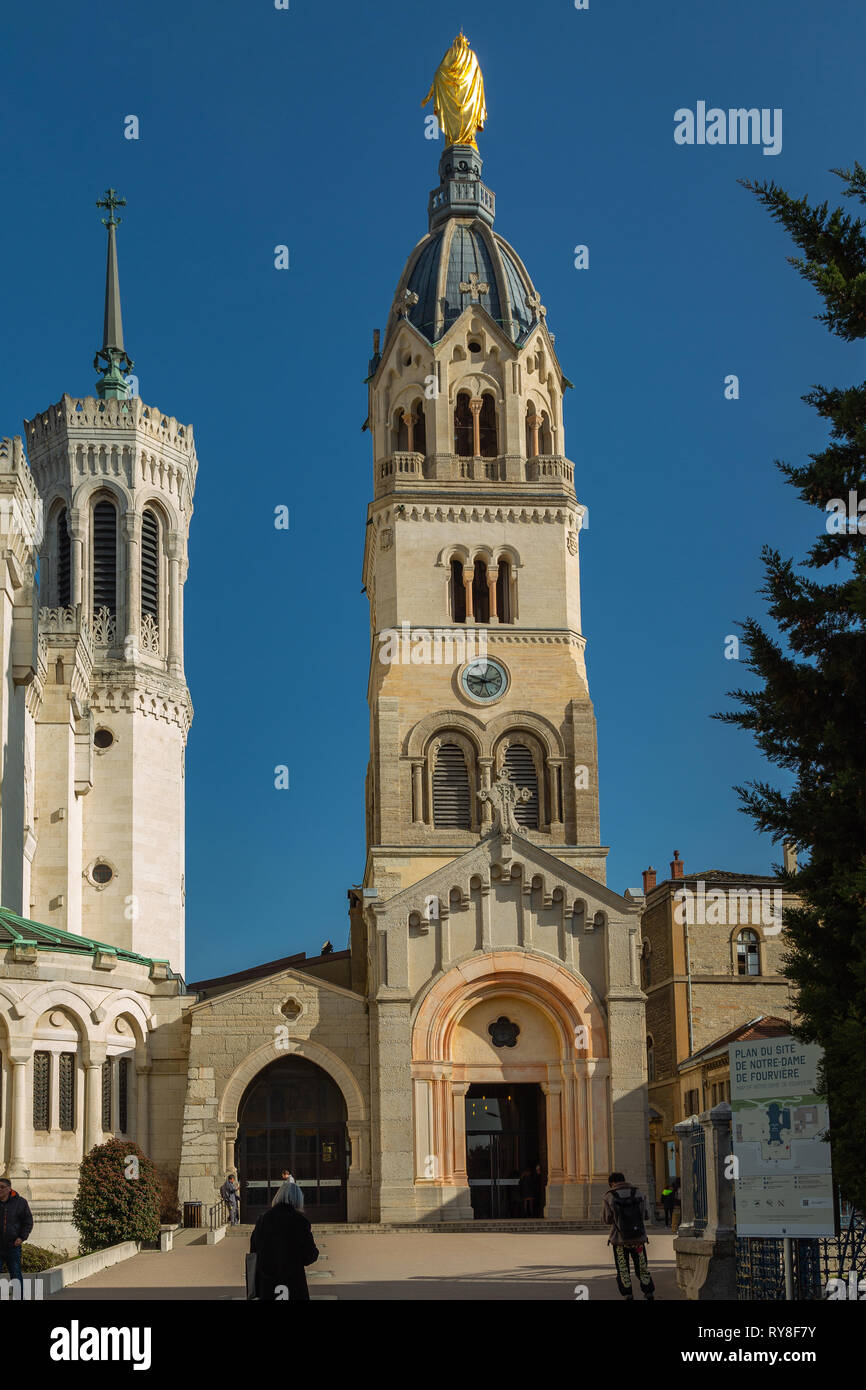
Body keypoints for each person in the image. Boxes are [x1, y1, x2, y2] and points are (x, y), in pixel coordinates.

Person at [250, 1180, 318, 1301]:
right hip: (293, 1283)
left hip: (268, 1283)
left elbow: (254, 1250)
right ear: (298, 1200)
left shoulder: (262, 1220)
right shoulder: (299, 1221)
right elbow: (310, 1255)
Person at [602, 1171, 655, 1301]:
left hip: (620, 1240)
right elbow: (646, 1215)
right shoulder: (638, 1193)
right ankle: (648, 1292)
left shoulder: (609, 1196)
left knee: (623, 1267)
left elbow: (607, 1219)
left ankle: (628, 1294)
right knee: (642, 1266)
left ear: (612, 1183)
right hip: (638, 1239)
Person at [0, 1177, 33, 1297]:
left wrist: (21, 1238)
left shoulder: (20, 1202)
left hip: (13, 1245)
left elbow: (28, 1222)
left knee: (15, 1274)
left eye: (2, 1187)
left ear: (9, 1189)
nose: (0, 1190)